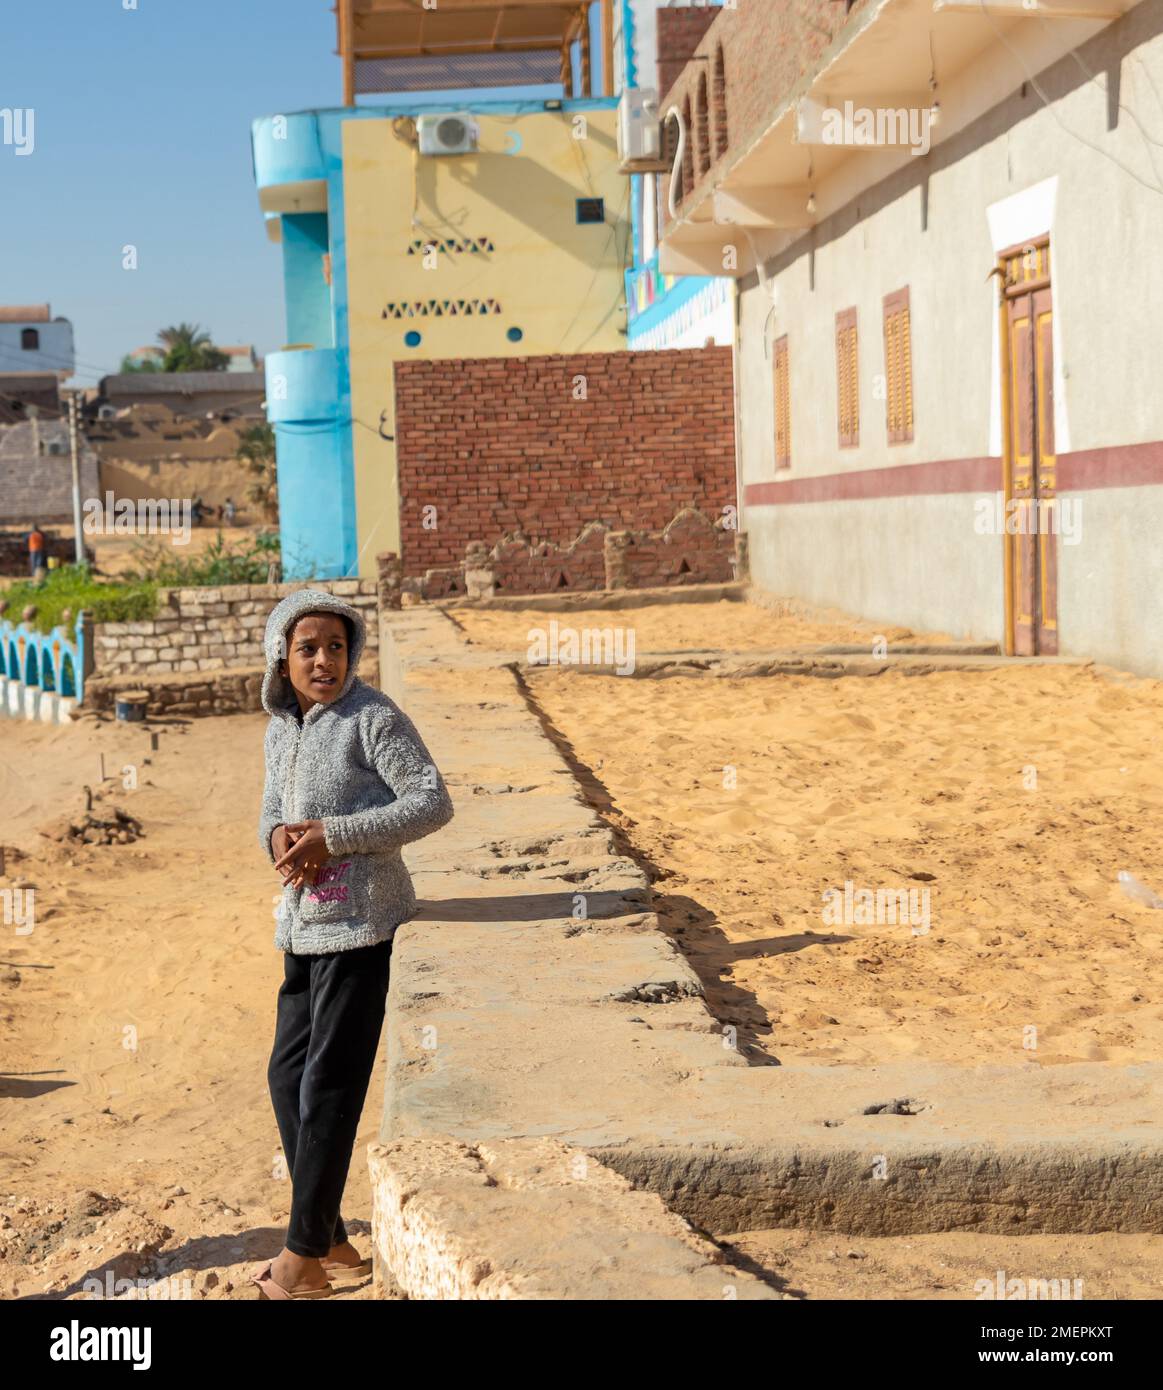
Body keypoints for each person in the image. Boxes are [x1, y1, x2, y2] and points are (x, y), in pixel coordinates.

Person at [250, 588, 454, 1300]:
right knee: (286, 1076)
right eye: (307, 647)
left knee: (328, 1083)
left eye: (335, 646)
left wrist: (334, 836)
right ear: (283, 655)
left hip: (364, 925)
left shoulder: (372, 718)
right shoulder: (281, 728)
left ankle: (302, 1258)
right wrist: (278, 839)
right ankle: (333, 1235)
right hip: (302, 924)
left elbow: (430, 801)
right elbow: (271, 815)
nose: (323, 660)